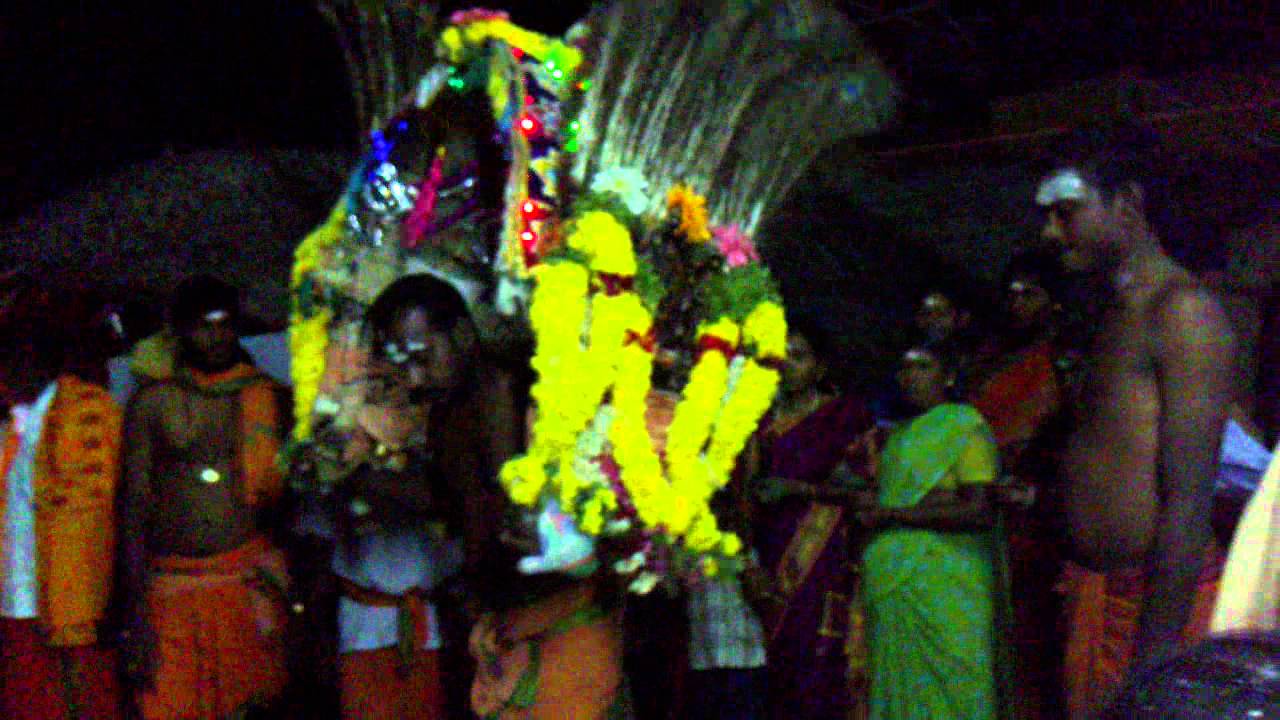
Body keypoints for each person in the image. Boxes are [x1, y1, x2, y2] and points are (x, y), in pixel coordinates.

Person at [1034, 126, 1236, 717]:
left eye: (1066, 212)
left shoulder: (1183, 312)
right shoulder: (1110, 311)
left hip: (1148, 615)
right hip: (1095, 600)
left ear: (1126, 204)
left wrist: (1154, 665)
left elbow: (1189, 504)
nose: (1050, 232)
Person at [325, 273, 518, 719]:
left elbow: (501, 513)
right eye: (403, 362)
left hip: (521, 620)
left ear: (462, 334)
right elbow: (452, 501)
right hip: (480, 618)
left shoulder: (499, 395)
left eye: (424, 357)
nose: (413, 378)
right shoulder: (448, 404)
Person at [119, 276, 292, 719]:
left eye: (224, 324)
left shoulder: (270, 397)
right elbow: (133, 509)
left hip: (245, 585)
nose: (216, 337)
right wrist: (134, 615)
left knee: (252, 708)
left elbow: (291, 506)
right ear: (179, 331)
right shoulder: (153, 404)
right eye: (202, 326)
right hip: (171, 593)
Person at [855, 343, 1005, 720]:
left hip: (948, 582)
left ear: (949, 376)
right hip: (895, 581)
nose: (910, 377)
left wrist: (893, 514)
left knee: (957, 684)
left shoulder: (964, 425)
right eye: (904, 369)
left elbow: (978, 509)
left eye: (923, 367)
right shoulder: (898, 435)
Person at [0, 277, 124, 719]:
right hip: (17, 606)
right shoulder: (11, 426)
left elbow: (117, 510)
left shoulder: (90, 413)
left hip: (76, 610)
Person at [749, 323, 873, 720]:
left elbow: (865, 492)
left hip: (826, 554)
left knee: (819, 662)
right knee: (777, 665)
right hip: (769, 551)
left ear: (820, 368)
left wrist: (798, 489)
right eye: (780, 355)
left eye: (799, 356)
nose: (787, 364)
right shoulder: (757, 419)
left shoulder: (843, 417)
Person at [968, 252, 1069, 719]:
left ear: (1054, 302)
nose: (1018, 304)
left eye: (1030, 294)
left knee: (1030, 633)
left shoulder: (1064, 363)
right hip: (980, 506)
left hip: (1034, 513)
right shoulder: (990, 359)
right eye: (1012, 295)